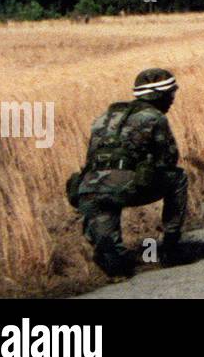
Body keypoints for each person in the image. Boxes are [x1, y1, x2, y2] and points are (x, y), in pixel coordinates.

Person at [72, 68, 189, 276]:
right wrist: (145, 168)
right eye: (171, 93)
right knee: (178, 178)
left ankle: (111, 257)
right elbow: (169, 160)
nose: (172, 99)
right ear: (160, 95)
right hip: (124, 187)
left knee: (113, 259)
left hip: (89, 190)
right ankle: (170, 246)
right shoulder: (154, 118)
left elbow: (91, 159)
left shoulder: (103, 118)